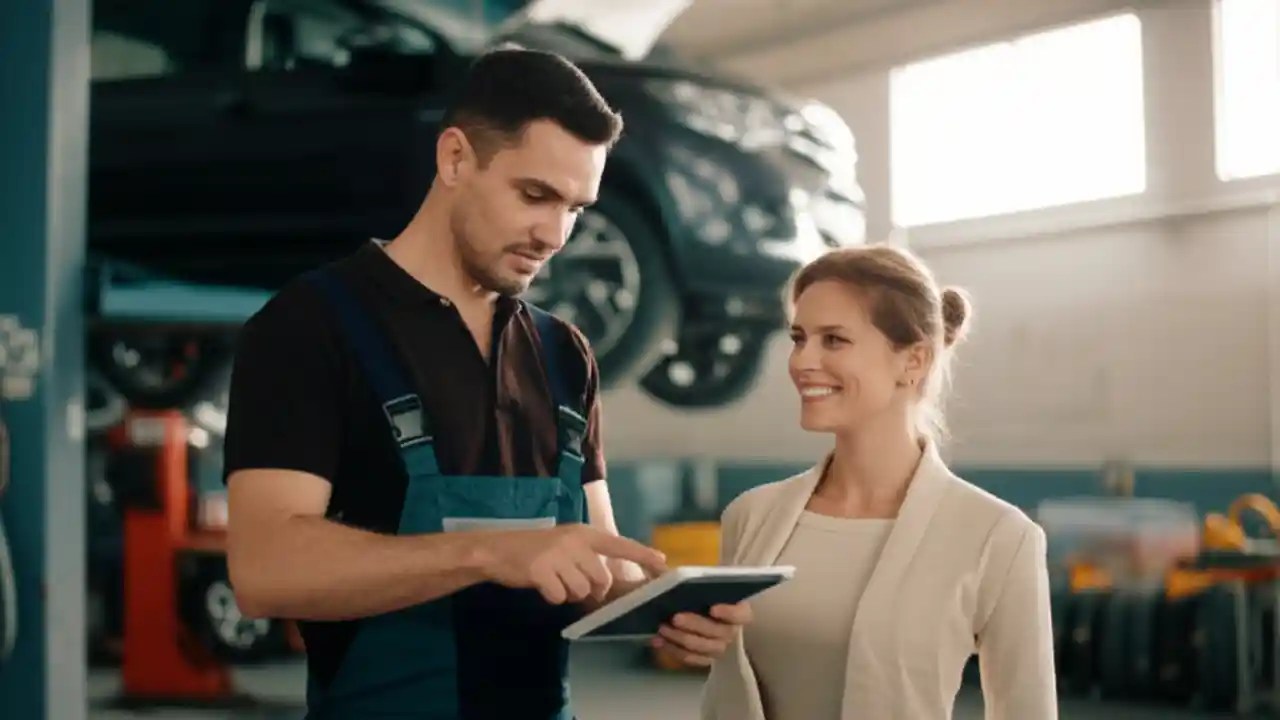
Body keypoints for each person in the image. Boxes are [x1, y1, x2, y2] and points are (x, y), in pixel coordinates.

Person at [222, 47, 750, 720]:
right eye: (535, 196)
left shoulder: (564, 354)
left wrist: (660, 606)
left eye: (577, 209)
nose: (555, 234)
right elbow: (264, 571)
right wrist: (488, 552)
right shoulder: (310, 326)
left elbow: (595, 565)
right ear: (454, 159)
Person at [700, 245, 1057, 720]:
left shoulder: (999, 537)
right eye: (799, 337)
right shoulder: (751, 516)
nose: (802, 361)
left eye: (833, 340)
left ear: (913, 361)